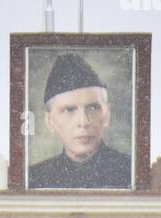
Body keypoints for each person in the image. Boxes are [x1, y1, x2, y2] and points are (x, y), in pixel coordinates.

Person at [27, 52, 131, 189]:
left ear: (106, 115)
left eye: (93, 108)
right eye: (69, 110)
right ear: (49, 121)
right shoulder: (34, 178)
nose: (83, 122)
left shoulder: (130, 172)